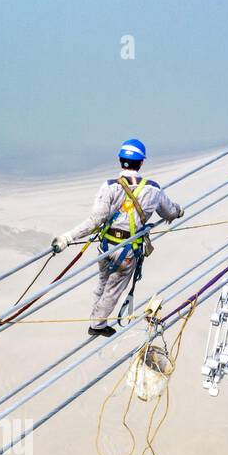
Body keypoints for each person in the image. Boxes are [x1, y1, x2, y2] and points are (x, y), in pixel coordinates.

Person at [52, 138, 184, 337]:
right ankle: (97, 324)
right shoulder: (153, 189)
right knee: (113, 288)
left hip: (106, 246)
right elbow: (170, 212)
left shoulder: (109, 186)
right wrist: (179, 211)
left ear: (120, 160)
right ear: (141, 163)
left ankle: (95, 316)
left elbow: (95, 220)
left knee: (103, 282)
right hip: (127, 250)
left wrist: (67, 238)